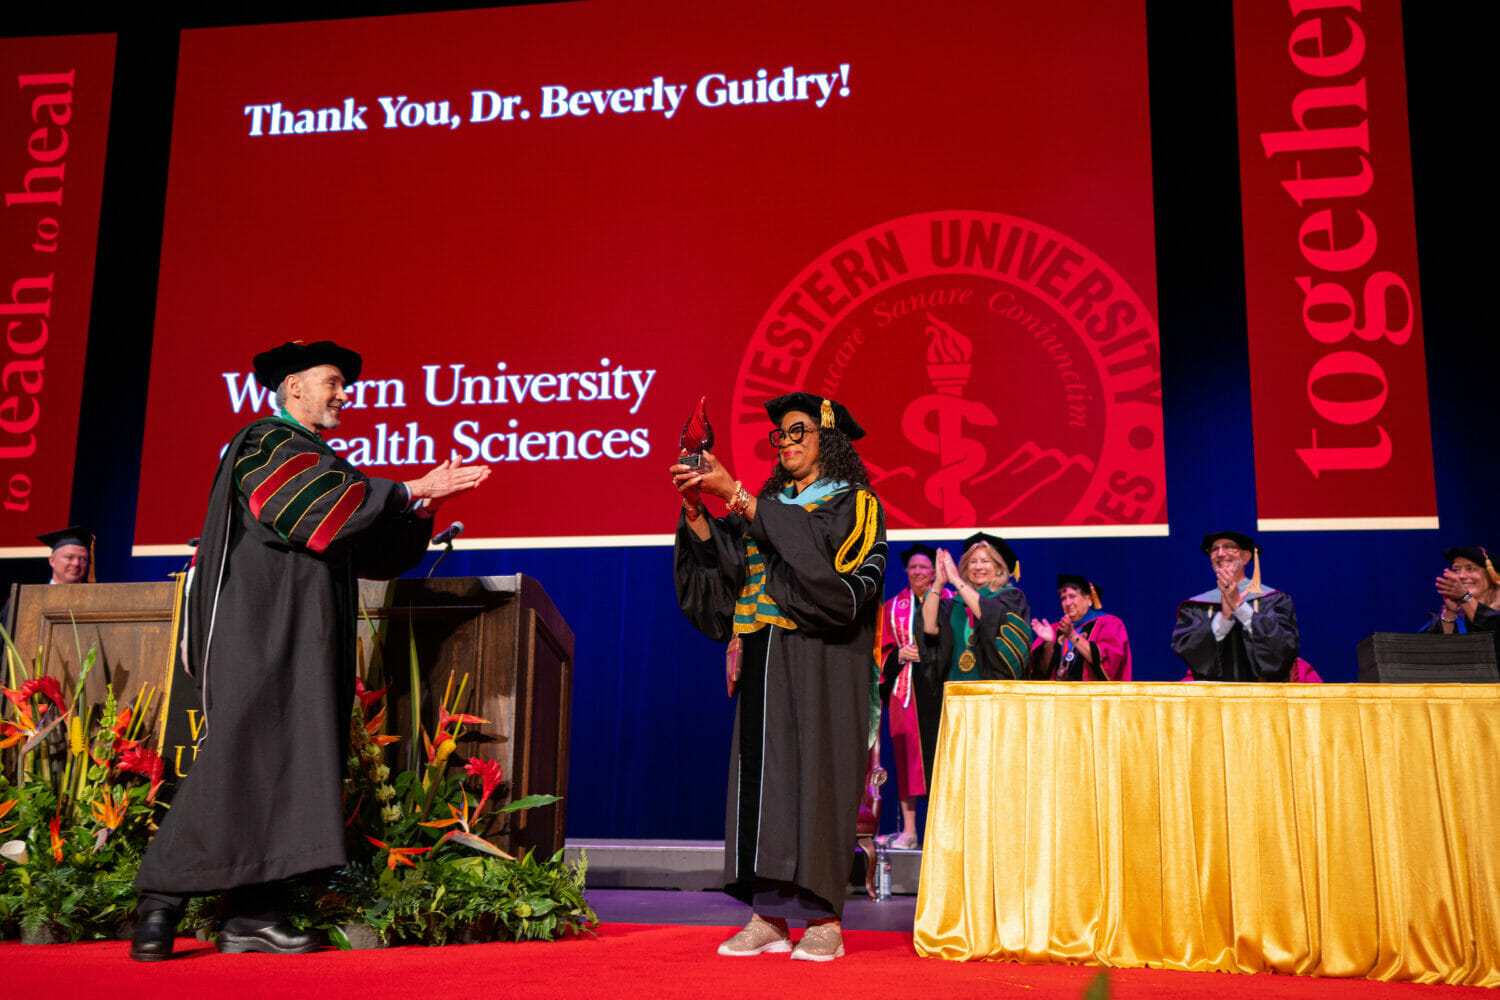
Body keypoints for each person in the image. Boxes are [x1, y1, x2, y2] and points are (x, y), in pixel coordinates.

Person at [129, 340, 490, 962]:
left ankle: (252, 915)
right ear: (293, 387)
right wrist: (405, 487)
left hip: (303, 635)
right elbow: (313, 512)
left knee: (288, 765)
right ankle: (158, 901)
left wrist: (420, 504)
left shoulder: (321, 458)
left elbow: (369, 547)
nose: (343, 394)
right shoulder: (265, 443)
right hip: (258, 629)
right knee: (237, 763)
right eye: (332, 382)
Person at [673, 391, 886, 963]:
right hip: (767, 654)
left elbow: (828, 577)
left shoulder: (855, 503)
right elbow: (737, 569)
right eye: (781, 436)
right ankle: (767, 915)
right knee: (763, 783)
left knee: (817, 776)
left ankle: (825, 920)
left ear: (829, 440)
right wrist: (699, 511)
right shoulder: (771, 504)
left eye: (798, 432)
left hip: (822, 657)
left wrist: (740, 499)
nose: (786, 443)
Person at [877, 543, 946, 850]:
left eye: (924, 567)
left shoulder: (950, 602)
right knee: (907, 759)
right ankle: (909, 831)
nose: (918, 572)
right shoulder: (893, 608)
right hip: (904, 692)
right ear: (906, 572)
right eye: (913, 567)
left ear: (935, 572)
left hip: (940, 690)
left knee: (941, 760)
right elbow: (881, 651)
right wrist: (899, 654)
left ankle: (940, 831)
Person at [1171, 530, 1298, 681]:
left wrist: (1240, 607)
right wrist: (1224, 617)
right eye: (1214, 549)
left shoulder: (1273, 600)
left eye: (1229, 547)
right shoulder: (1197, 607)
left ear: (1246, 557)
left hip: (1263, 696)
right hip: (1215, 698)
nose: (1220, 553)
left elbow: (1283, 647)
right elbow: (1188, 650)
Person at [923, 532, 1032, 684]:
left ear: (999, 568)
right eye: (972, 562)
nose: (978, 567)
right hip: (955, 690)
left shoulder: (1011, 598)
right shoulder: (955, 603)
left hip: (993, 692)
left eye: (985, 561)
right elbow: (929, 627)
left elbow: (991, 615)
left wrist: (956, 580)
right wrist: (939, 583)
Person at [1029, 574, 1132, 681]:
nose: (1068, 603)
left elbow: (1111, 664)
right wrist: (1049, 643)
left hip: (1092, 696)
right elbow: (1040, 674)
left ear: (1089, 599)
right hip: (1059, 696)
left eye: (1072, 596)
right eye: (1063, 598)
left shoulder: (1109, 624)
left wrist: (1073, 636)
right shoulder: (1054, 629)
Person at [1424, 545, 1500, 643]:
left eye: (1470, 569)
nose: (1461, 576)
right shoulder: (1456, 616)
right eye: (1456, 570)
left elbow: (1493, 632)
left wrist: (1464, 597)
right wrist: (1449, 613)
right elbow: (1432, 650)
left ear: (1490, 575)